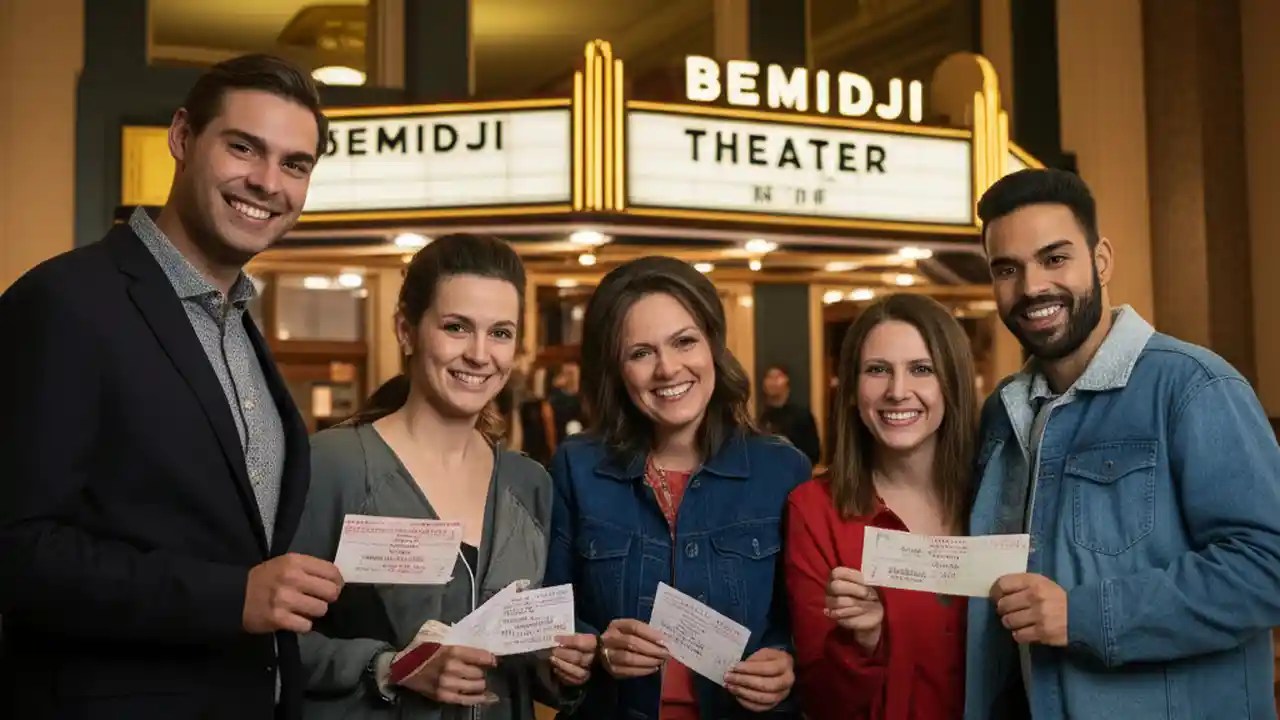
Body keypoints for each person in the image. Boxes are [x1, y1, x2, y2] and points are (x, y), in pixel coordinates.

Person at [0, 54, 342, 719]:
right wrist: (230, 596)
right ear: (183, 137)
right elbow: (15, 548)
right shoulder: (64, 302)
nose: (268, 183)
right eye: (243, 148)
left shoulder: (241, 327)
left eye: (296, 165)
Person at [966, 168, 1280, 718]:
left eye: (1055, 258)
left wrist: (1083, 614)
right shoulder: (1002, 412)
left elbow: (1266, 566)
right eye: (1008, 269)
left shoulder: (1193, 386)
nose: (1033, 286)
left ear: (1102, 260)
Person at [291, 234, 597, 719]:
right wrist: (389, 666)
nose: (480, 354)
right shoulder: (334, 465)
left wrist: (557, 663)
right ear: (407, 331)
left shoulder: (529, 483)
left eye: (500, 333)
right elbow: (273, 642)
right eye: (457, 327)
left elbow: (527, 653)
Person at [545, 256, 809, 718]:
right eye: (641, 352)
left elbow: (809, 626)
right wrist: (595, 648)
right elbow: (551, 621)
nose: (668, 369)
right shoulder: (576, 467)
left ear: (713, 347)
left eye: (684, 341)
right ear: (617, 368)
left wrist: (789, 661)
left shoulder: (782, 469)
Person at [784, 294, 977, 719]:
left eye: (921, 370)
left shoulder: (999, 497)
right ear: (852, 389)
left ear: (954, 384)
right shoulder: (815, 510)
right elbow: (819, 699)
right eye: (877, 370)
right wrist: (864, 640)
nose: (897, 391)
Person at [758, 364, 822, 464]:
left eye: (777, 377)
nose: (772, 382)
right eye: (769, 377)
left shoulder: (802, 415)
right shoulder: (763, 417)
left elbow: (814, 454)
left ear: (787, 381)